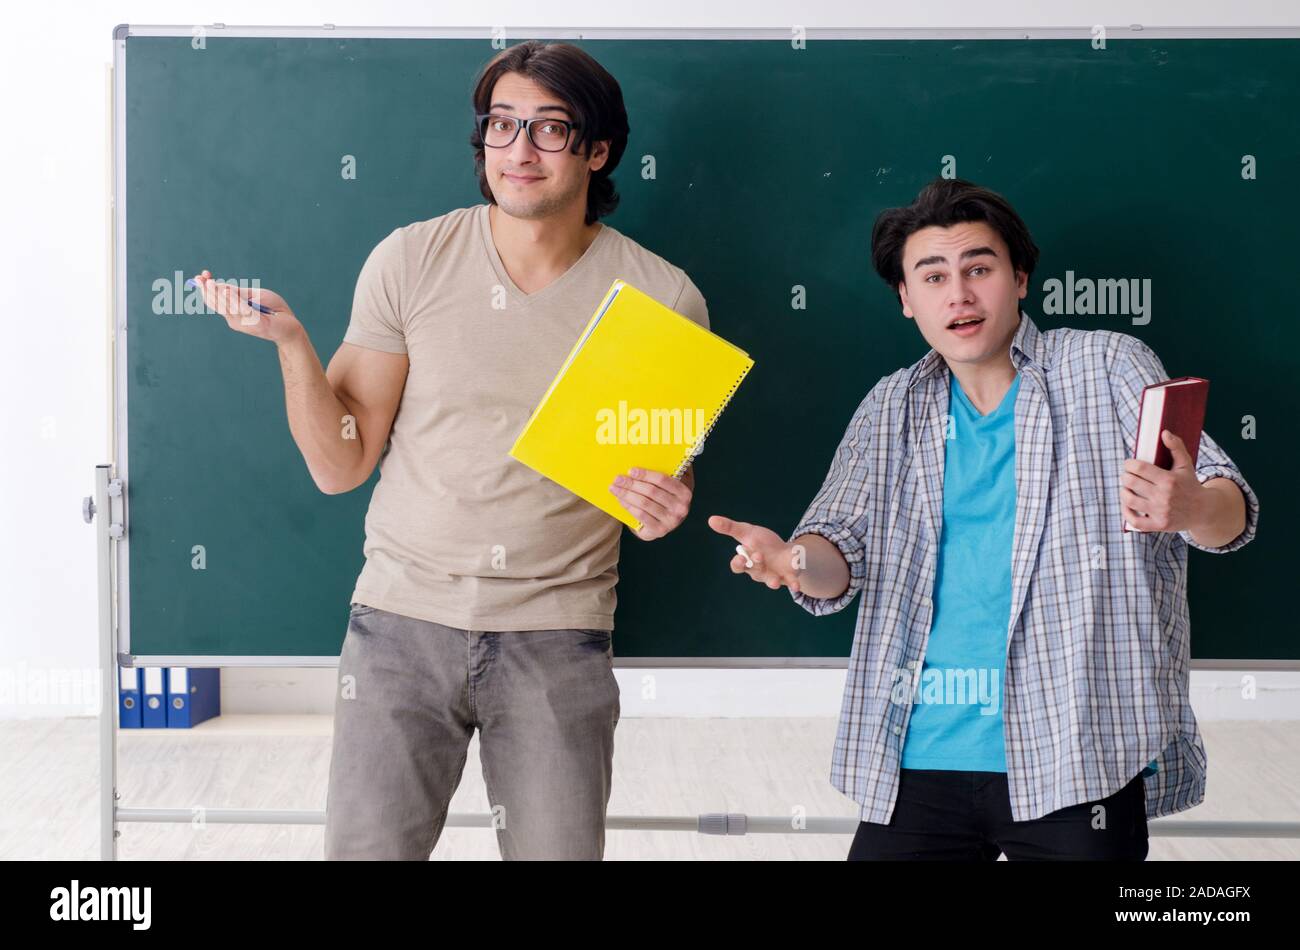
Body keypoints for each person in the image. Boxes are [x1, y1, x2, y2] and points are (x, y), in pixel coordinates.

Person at [193, 39, 709, 860]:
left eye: (549, 128)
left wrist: (662, 503)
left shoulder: (661, 298)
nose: (519, 151)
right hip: (399, 628)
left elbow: (645, 498)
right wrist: (292, 344)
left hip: (557, 633)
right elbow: (341, 465)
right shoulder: (412, 259)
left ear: (599, 148)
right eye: (501, 125)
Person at [709, 177, 1258, 860]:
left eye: (979, 268)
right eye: (932, 276)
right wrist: (791, 560)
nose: (959, 295)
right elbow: (836, 555)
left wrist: (1192, 507)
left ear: (1020, 277)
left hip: (1075, 754)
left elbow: (1229, 507)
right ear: (907, 301)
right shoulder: (891, 406)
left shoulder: (1106, 366)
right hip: (920, 754)